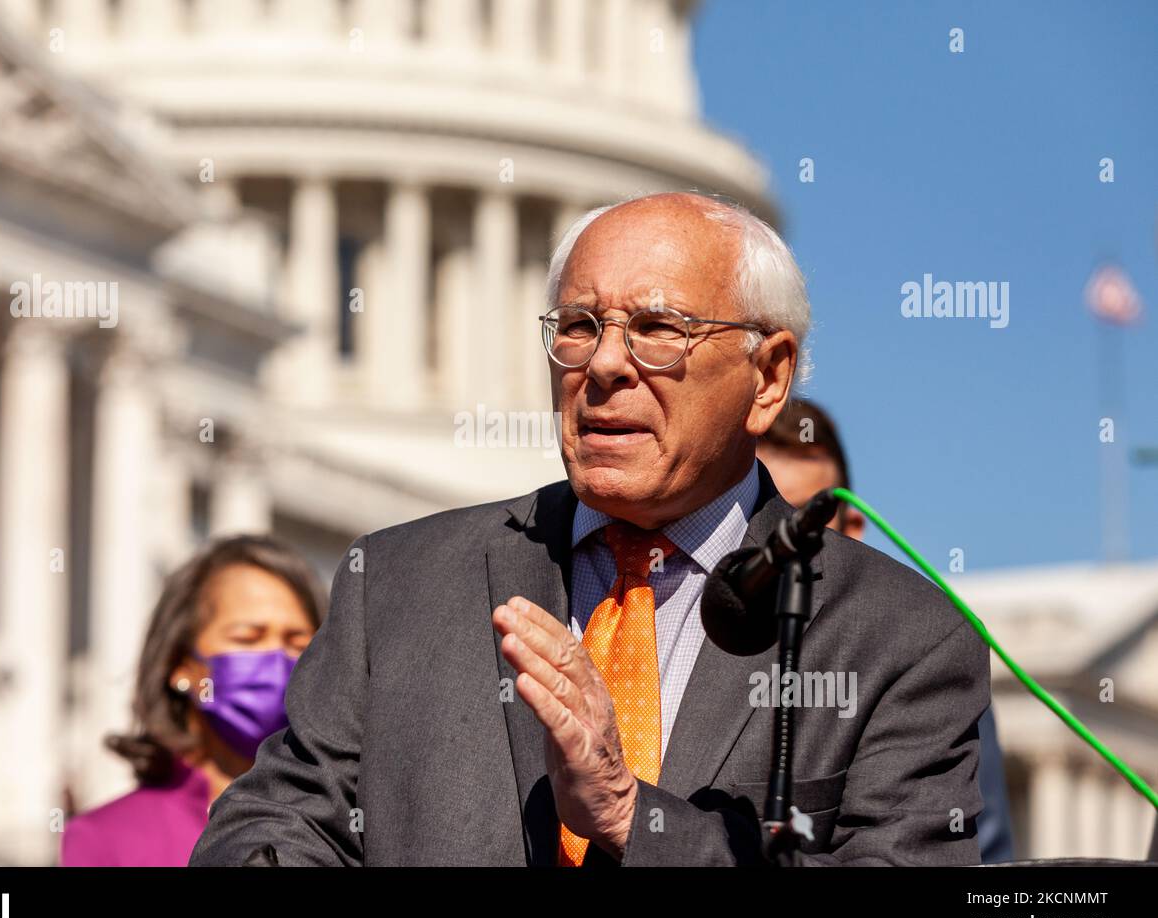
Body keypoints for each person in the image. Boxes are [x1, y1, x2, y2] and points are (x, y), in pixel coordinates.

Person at [191, 191, 989, 866]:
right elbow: (272, 826)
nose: (604, 365)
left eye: (658, 327)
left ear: (769, 376)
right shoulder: (397, 584)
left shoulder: (899, 641)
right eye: (578, 324)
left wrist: (626, 812)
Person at [758, 397, 1015, 863]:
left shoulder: (926, 658)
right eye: (760, 523)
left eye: (800, 524)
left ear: (852, 528)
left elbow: (985, 852)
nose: (776, 545)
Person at [61, 534, 326, 866]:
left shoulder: (339, 829)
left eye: (297, 643)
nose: (275, 660)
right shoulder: (105, 838)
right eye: (247, 637)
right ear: (182, 666)